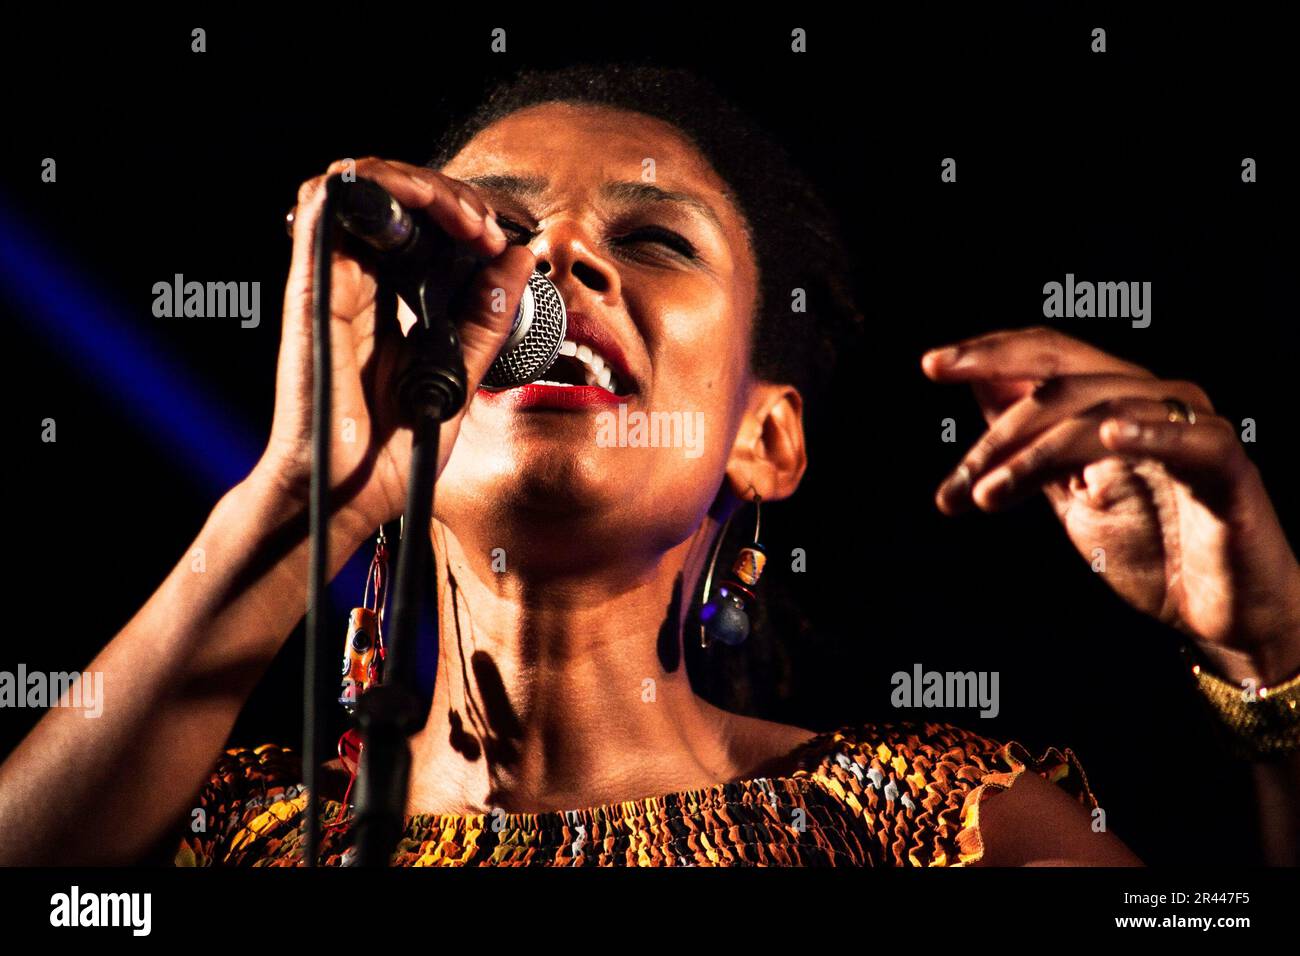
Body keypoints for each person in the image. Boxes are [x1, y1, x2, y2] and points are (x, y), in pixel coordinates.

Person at [1, 65, 1296, 867]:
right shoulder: (212, 836)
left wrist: (1274, 655)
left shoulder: (934, 831)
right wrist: (300, 501)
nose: (552, 257)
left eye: (658, 239)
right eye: (495, 231)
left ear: (765, 436)